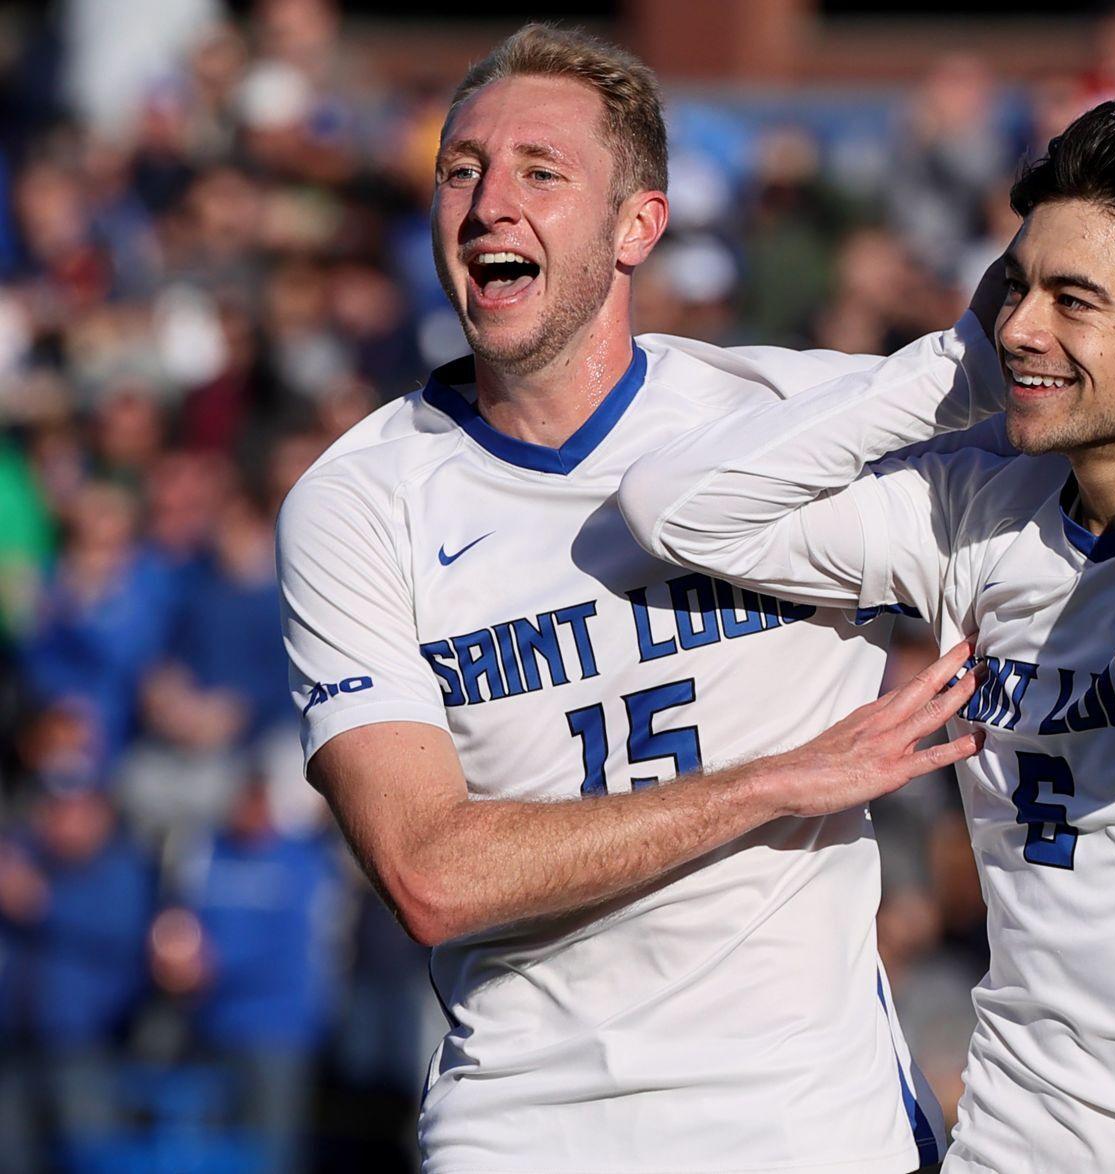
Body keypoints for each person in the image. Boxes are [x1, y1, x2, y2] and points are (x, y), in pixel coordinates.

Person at [622, 100, 1115, 1170]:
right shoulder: (973, 521)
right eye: (1015, 287)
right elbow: (676, 507)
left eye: (1072, 300)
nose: (1019, 327)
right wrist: (952, 365)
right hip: (1011, 1141)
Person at [276, 23, 990, 1173]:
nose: (487, 203)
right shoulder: (357, 499)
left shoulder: (793, 412)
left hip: (807, 1126)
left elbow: (1067, 481)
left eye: (538, 173)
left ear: (636, 227)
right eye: (461, 169)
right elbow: (431, 873)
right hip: (523, 1130)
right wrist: (774, 782)